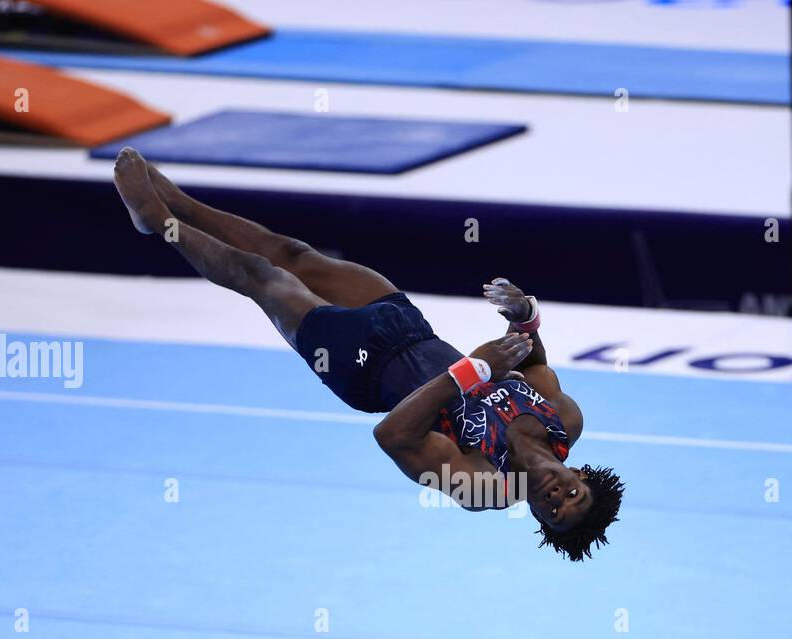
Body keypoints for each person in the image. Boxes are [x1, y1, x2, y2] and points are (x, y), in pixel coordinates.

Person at [112, 148, 623, 560]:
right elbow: (534, 364)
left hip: (364, 369)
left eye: (555, 513)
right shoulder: (565, 420)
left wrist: (475, 369)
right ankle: (176, 201)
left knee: (264, 278)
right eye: (572, 496)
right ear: (581, 476)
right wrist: (524, 317)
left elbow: (394, 436)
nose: (558, 499)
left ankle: (159, 222)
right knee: (292, 253)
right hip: (408, 327)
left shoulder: (483, 487)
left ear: (538, 518)